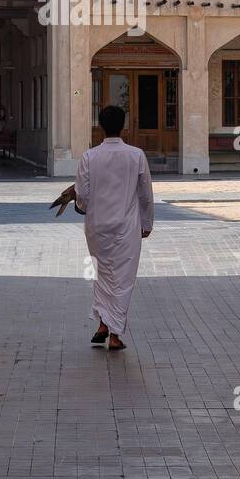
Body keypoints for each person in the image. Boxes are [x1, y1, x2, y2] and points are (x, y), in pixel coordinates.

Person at [74, 105, 154, 352]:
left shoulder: (89, 156)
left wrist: (85, 206)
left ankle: (102, 324)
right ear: (123, 125)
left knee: (104, 275)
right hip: (127, 226)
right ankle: (115, 333)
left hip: (97, 226)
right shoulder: (136, 155)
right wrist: (147, 222)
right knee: (123, 279)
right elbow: (145, 194)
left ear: (100, 126)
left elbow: (82, 195)